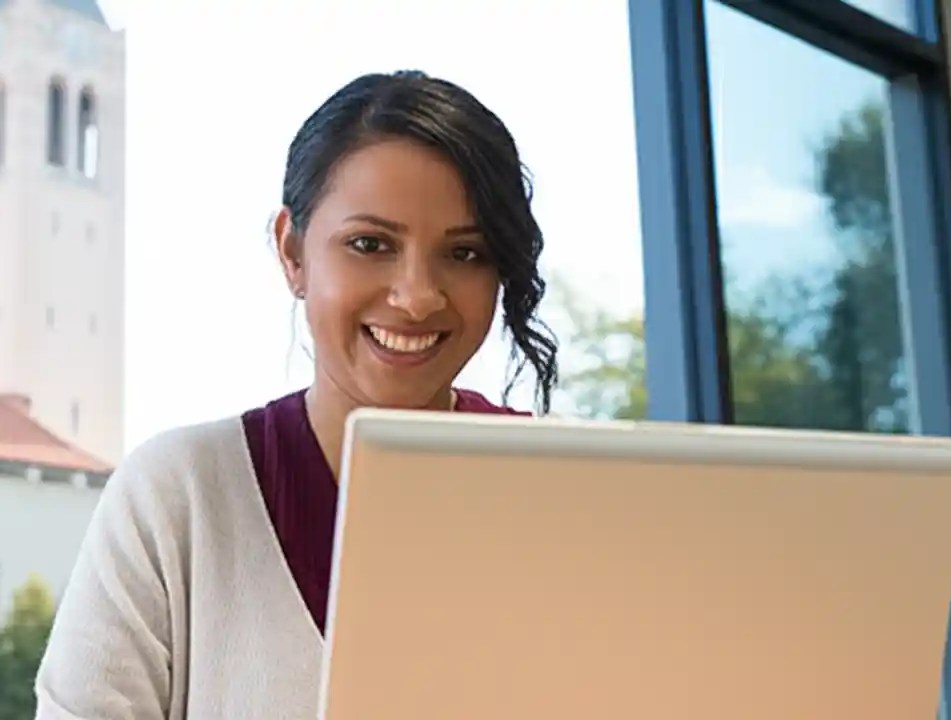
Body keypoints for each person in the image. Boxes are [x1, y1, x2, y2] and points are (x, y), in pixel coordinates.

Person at [33, 69, 560, 719]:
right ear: (292, 251)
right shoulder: (180, 494)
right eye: (370, 244)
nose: (419, 295)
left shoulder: (561, 497)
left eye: (467, 254)